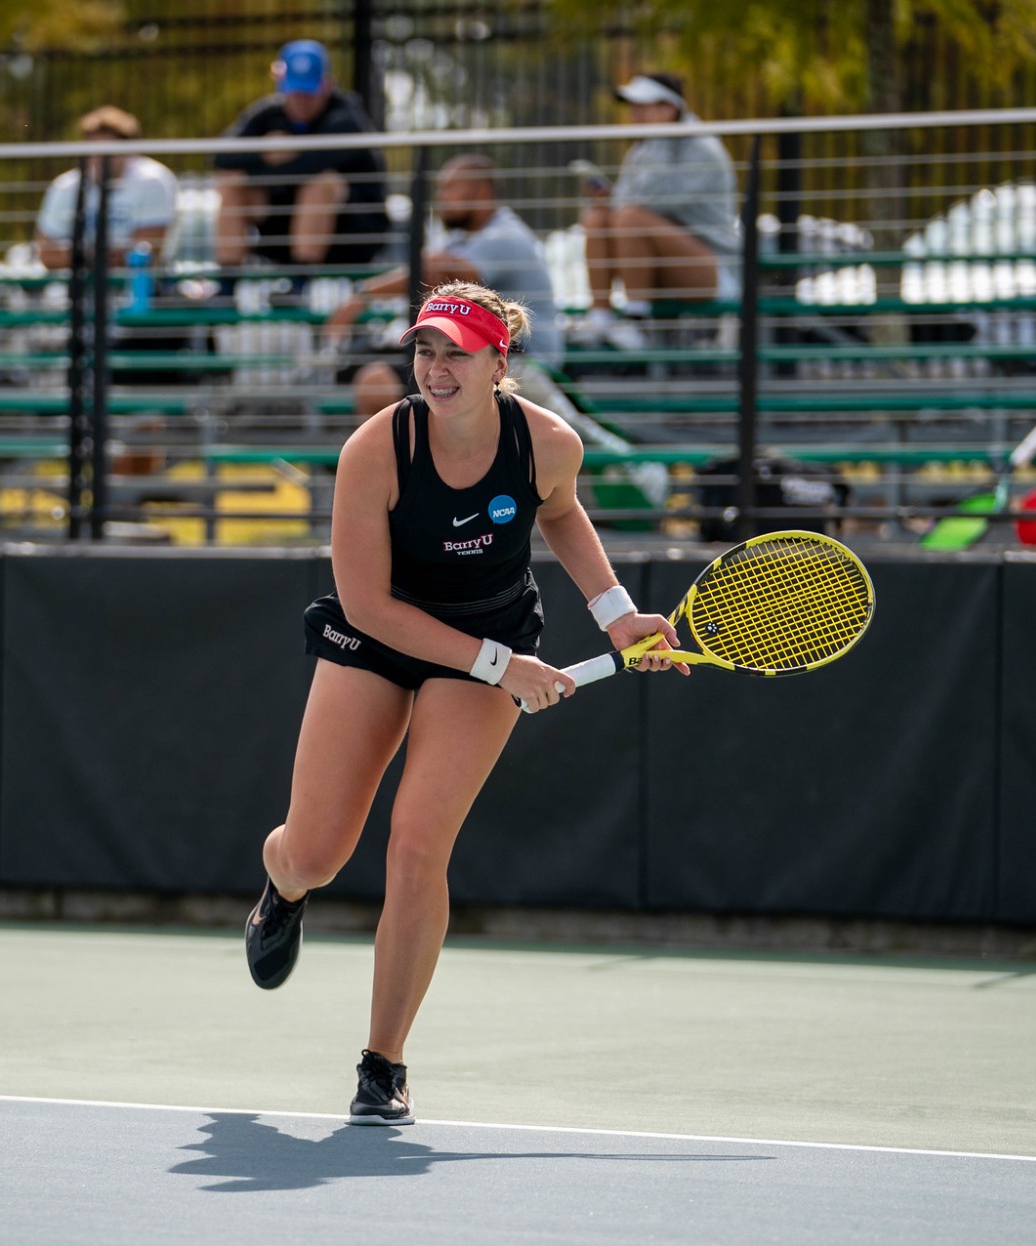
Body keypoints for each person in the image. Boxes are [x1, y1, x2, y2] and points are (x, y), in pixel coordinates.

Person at [243, 280, 687, 1126]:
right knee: (317, 851)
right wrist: (503, 664)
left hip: (489, 634)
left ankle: (383, 1062)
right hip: (380, 637)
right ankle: (281, 885)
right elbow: (369, 606)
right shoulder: (375, 450)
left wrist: (616, 613)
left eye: (457, 352)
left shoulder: (549, 444)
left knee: (417, 846)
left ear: (499, 362)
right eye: (425, 350)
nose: (436, 368)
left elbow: (561, 515)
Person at [324, 154, 565, 416]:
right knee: (376, 378)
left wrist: (361, 297)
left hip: (521, 362)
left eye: (450, 187)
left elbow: (440, 270)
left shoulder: (506, 235)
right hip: (470, 353)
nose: (441, 197)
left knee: (378, 383)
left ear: (482, 192)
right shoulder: (460, 239)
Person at [579, 73, 740, 346]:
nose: (634, 115)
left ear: (670, 109)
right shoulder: (645, 148)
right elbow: (629, 204)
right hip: (661, 261)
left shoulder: (702, 147)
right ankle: (601, 318)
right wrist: (608, 203)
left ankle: (638, 322)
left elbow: (646, 202)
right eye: (633, 108)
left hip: (716, 271)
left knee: (629, 218)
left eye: (643, 107)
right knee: (597, 219)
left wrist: (616, 202)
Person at [211, 39, 390, 273]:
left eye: (309, 93)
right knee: (231, 181)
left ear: (327, 85)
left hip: (351, 233)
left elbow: (306, 169)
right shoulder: (269, 112)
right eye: (295, 92)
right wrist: (265, 154)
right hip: (283, 228)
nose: (301, 102)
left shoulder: (346, 118)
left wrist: (276, 158)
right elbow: (220, 158)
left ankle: (301, 280)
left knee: (321, 183)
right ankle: (228, 280)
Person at [35, 106, 177, 272]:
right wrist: (96, 257)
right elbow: (47, 254)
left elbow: (147, 252)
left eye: (110, 150)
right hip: (76, 288)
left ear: (129, 150)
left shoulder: (154, 181)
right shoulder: (65, 186)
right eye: (94, 149)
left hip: (140, 287)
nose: (100, 158)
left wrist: (81, 257)